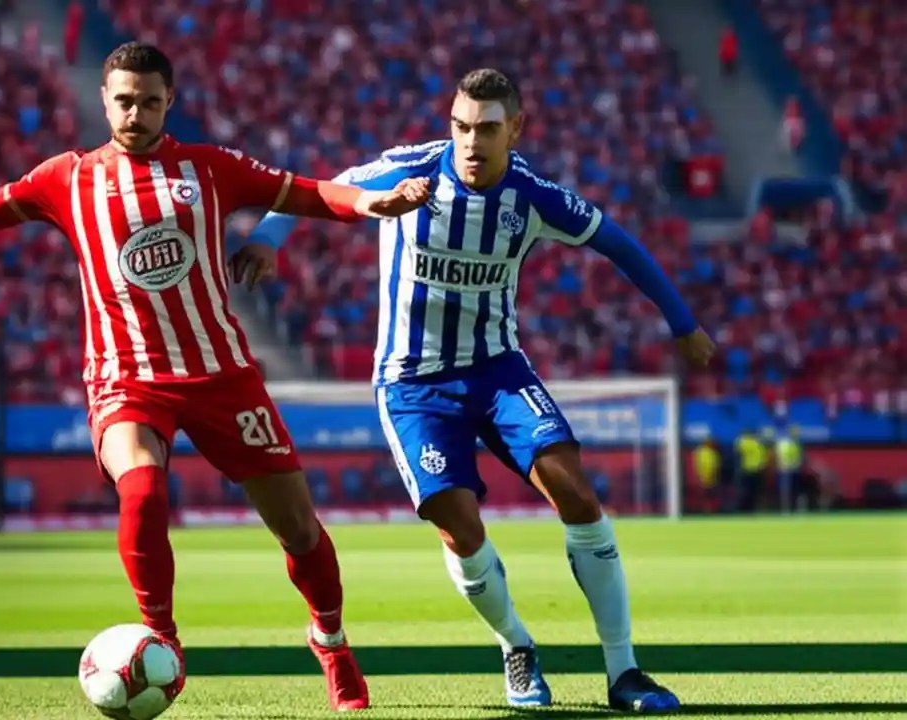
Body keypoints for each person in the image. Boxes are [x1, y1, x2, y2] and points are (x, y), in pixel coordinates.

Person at [0, 42, 431, 711]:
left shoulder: (209, 169)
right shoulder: (66, 179)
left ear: (169, 102)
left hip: (222, 376)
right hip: (126, 380)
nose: (136, 113)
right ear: (105, 100)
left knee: (299, 530)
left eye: (150, 101)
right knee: (144, 491)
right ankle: (159, 637)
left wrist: (372, 203)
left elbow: (307, 192)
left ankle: (329, 640)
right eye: (124, 101)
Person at [247, 68, 715, 713]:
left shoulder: (534, 196)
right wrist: (268, 240)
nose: (471, 142)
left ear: (514, 129)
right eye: (462, 126)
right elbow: (312, 192)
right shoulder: (405, 169)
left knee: (576, 491)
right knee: (457, 522)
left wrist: (683, 325)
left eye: (488, 129)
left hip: (498, 370)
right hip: (412, 383)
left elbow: (622, 246)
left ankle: (624, 671)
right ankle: (516, 646)